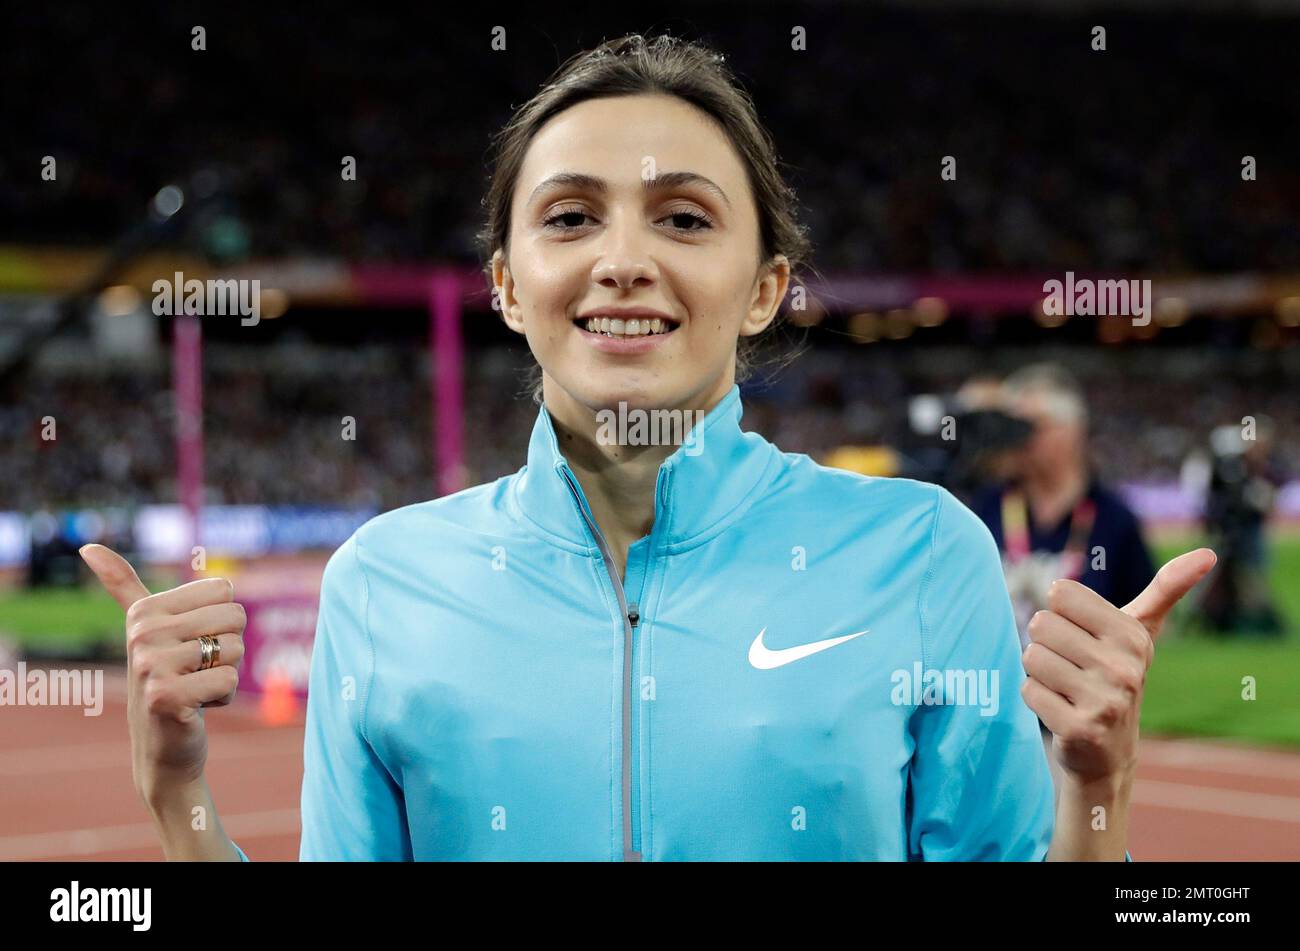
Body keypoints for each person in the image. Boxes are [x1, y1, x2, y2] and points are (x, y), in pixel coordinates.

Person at [80, 33, 1214, 862]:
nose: (623, 259)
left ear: (766, 285)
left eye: (683, 217)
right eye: (571, 216)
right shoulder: (383, 581)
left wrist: (1096, 794)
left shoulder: (922, 553)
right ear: (509, 286)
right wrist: (178, 804)